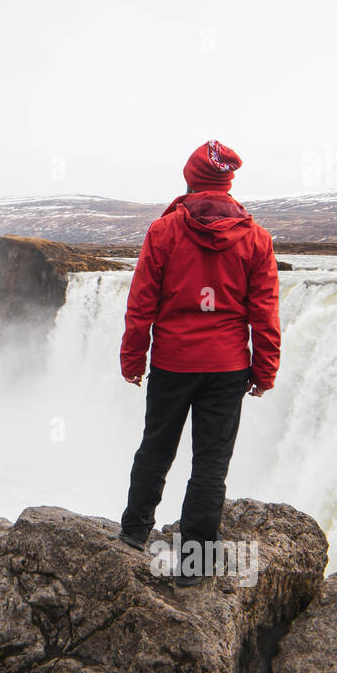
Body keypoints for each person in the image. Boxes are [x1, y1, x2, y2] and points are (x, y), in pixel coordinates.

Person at [117, 140, 281, 586]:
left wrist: (133, 358)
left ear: (191, 179)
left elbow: (141, 304)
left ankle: (134, 530)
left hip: (172, 362)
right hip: (227, 368)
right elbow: (264, 313)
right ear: (228, 182)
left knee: (156, 447)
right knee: (211, 462)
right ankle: (194, 564)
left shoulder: (163, 231)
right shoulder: (256, 239)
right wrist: (265, 371)